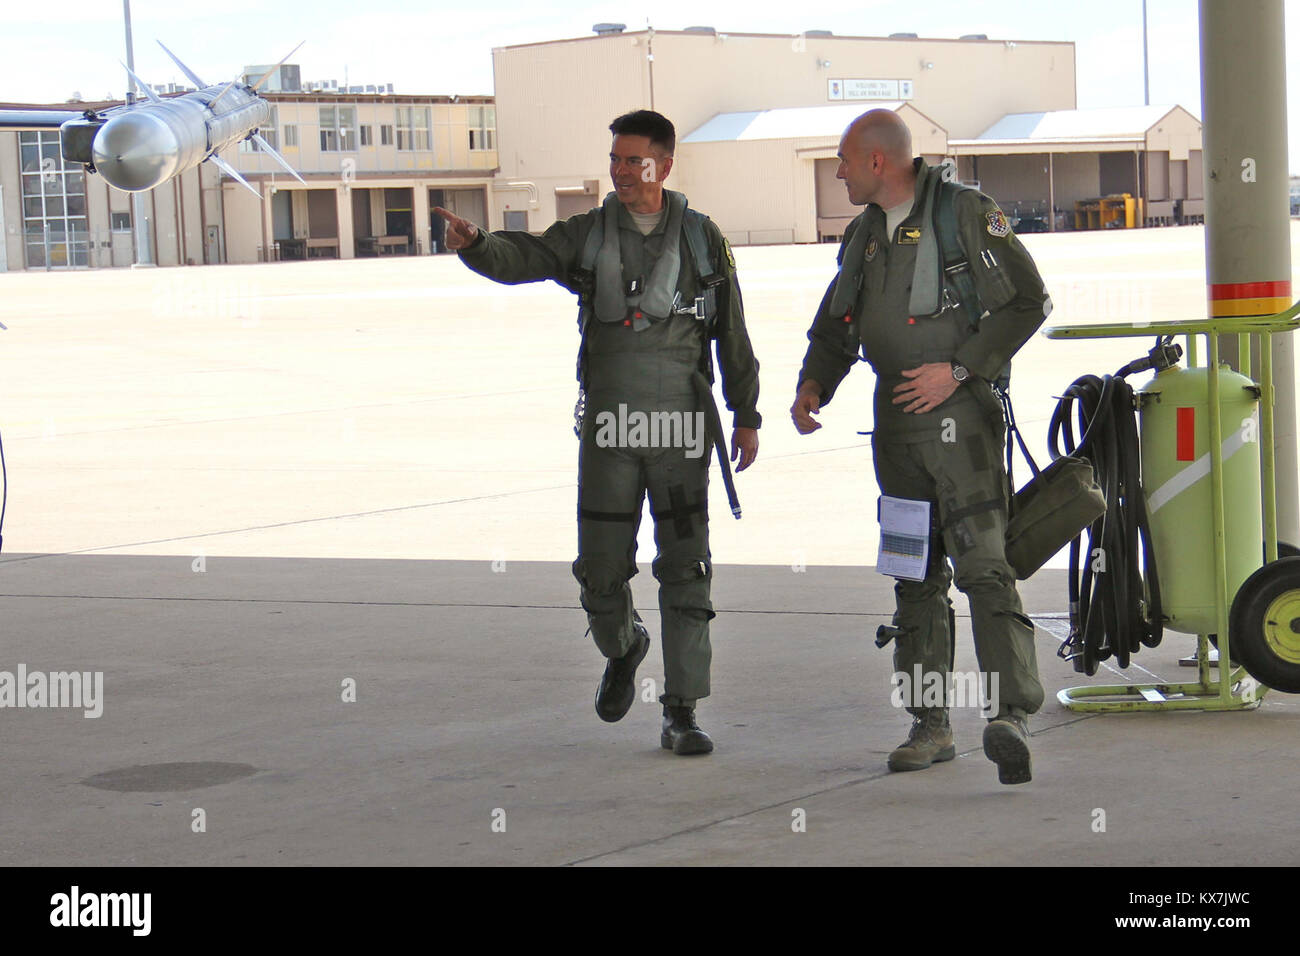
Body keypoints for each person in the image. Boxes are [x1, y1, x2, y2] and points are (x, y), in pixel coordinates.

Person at [435, 109, 761, 756]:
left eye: (632, 161)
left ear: (664, 166)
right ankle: (624, 645)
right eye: (613, 159)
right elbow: (525, 258)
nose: (620, 172)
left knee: (686, 568)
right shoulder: (588, 234)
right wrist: (477, 244)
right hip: (611, 429)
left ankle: (682, 710)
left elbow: (733, 333)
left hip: (681, 432)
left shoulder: (703, 240)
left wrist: (746, 412)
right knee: (602, 570)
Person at [791, 109, 1051, 785]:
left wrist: (960, 368)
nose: (839, 172)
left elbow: (1027, 301)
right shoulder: (863, 234)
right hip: (897, 427)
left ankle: (1010, 715)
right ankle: (930, 723)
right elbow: (838, 320)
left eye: (844, 161)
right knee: (911, 573)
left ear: (878, 160)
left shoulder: (965, 213)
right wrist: (815, 382)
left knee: (984, 567)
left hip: (959, 417)